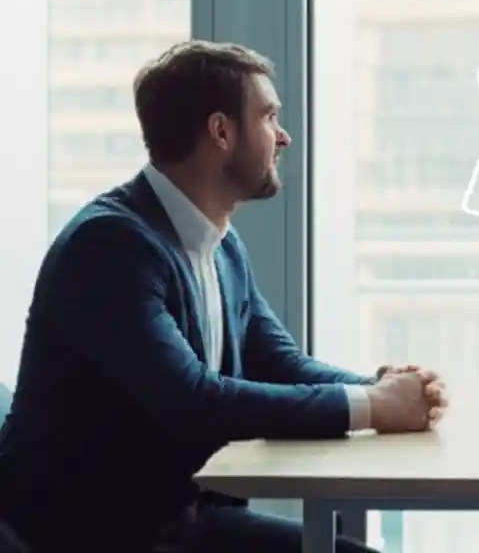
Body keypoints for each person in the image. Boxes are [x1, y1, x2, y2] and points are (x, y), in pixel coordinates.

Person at [0, 41, 448, 553]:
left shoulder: (220, 242)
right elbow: (193, 403)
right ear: (220, 131)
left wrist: (386, 388)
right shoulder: (110, 247)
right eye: (269, 116)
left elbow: (276, 362)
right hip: (96, 532)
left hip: (178, 519)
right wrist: (374, 405)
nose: (284, 136)